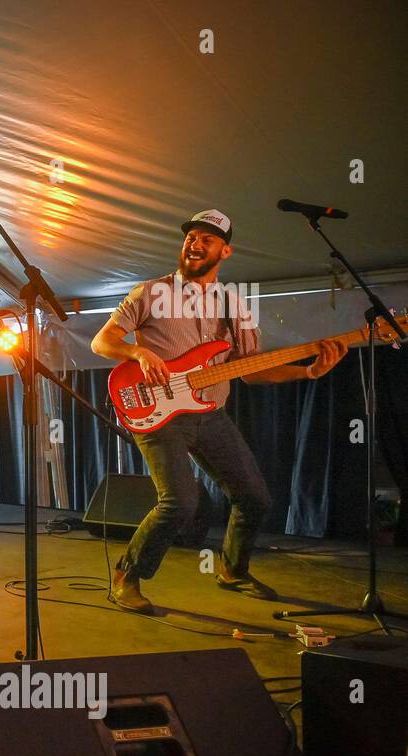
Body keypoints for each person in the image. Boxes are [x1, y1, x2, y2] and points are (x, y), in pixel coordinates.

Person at [90, 209, 348, 613]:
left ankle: (233, 570)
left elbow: (253, 371)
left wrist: (307, 370)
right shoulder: (149, 292)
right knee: (180, 502)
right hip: (156, 413)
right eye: (190, 237)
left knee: (254, 497)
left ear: (225, 251)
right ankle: (128, 574)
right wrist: (138, 352)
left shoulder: (234, 304)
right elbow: (101, 342)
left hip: (209, 414)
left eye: (206, 240)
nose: (195, 244)